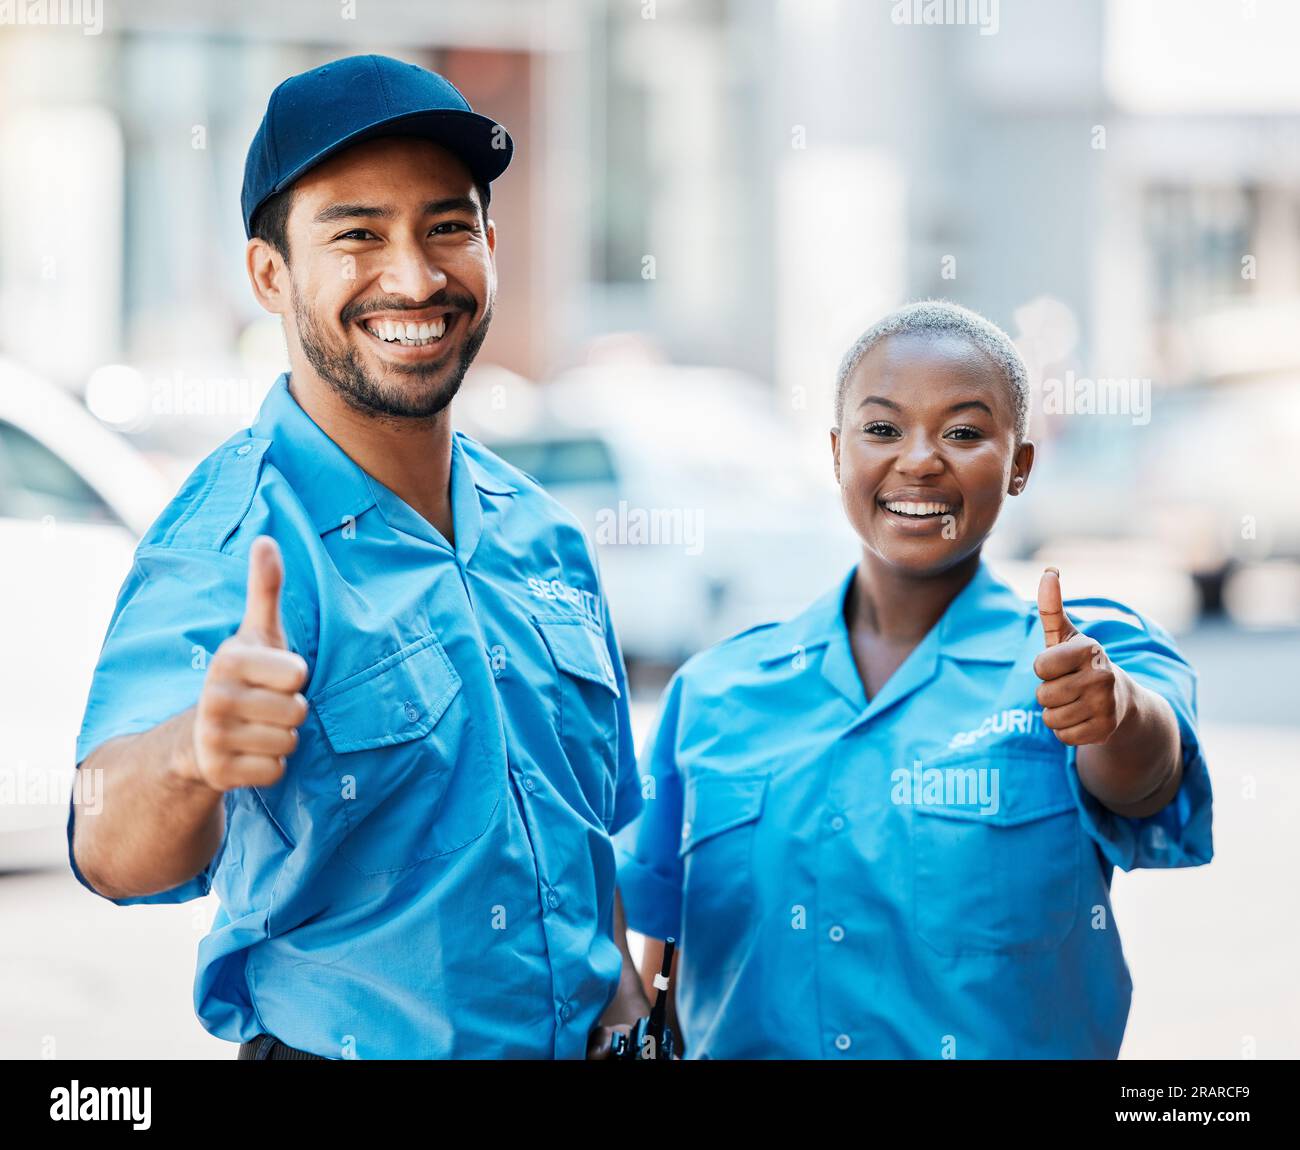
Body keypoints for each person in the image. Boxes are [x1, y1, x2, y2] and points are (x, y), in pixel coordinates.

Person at [68, 54, 650, 1060]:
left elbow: (584, 835)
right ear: (270, 274)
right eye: (359, 236)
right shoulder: (235, 540)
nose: (416, 277)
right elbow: (105, 842)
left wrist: (631, 1005)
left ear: (491, 244)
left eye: (447, 227)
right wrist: (195, 748)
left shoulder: (541, 532)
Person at [615, 300, 1214, 1059]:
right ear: (837, 454)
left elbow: (1148, 779)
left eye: (964, 432)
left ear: (1020, 464)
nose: (921, 459)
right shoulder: (714, 691)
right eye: (882, 429)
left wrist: (1113, 713)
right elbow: (661, 958)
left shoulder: (1085, 653)